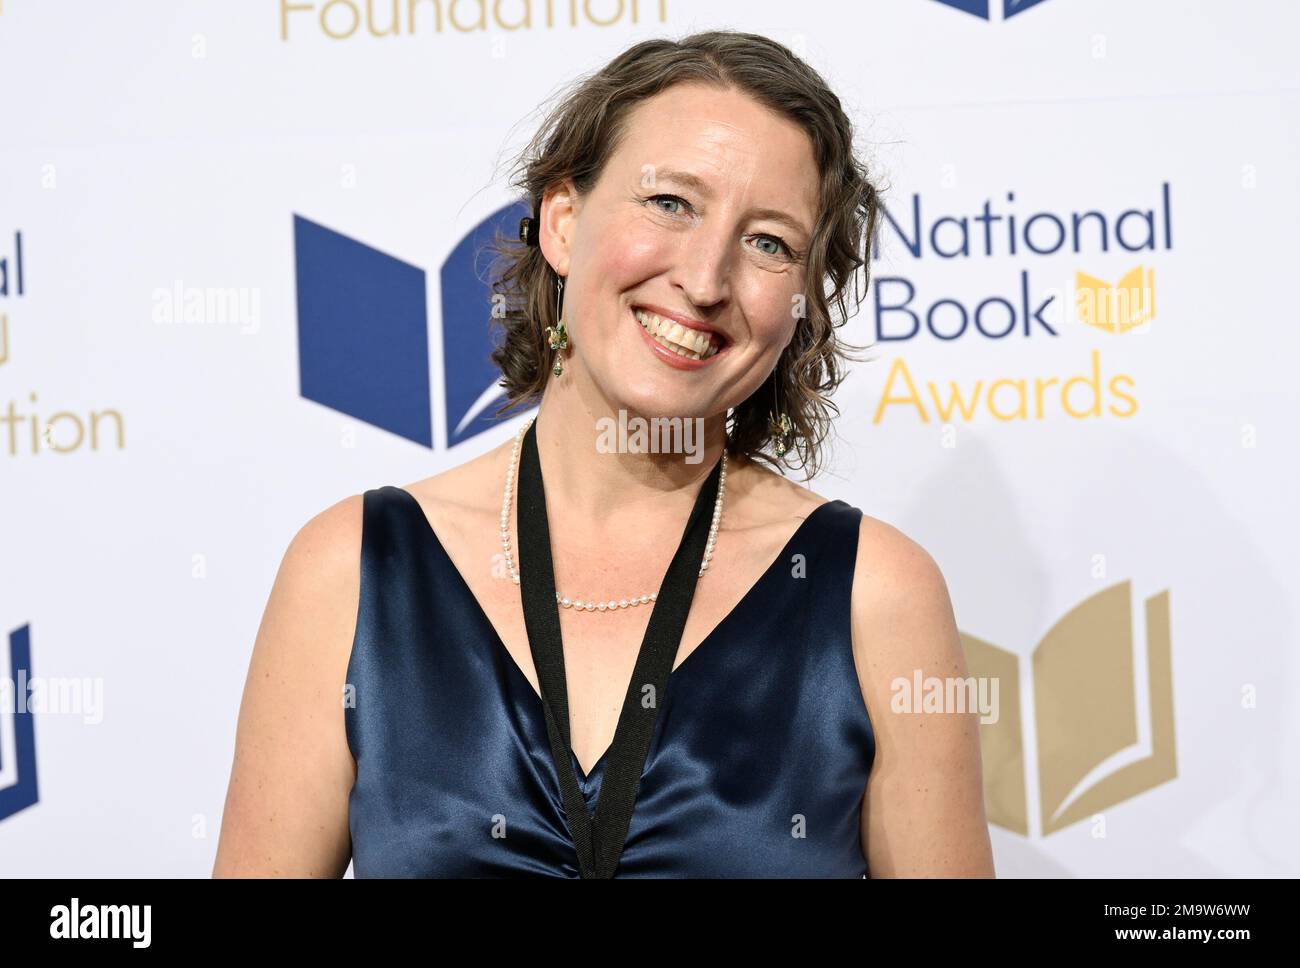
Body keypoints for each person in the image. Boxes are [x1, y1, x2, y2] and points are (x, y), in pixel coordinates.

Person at [213, 30, 994, 878]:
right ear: (562, 219)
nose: (705, 279)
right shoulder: (354, 571)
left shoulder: (873, 593)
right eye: (670, 203)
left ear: (803, 300)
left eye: (769, 242)